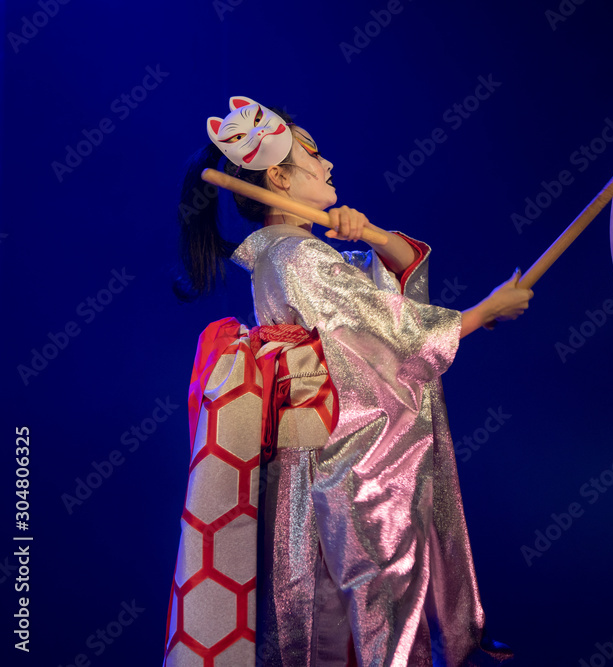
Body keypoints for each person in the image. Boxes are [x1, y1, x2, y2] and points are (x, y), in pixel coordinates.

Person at [165, 96, 531, 666]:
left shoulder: (298, 252)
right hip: (344, 462)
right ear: (280, 175)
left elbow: (382, 290)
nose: (329, 166)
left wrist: (376, 236)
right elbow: (388, 330)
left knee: (327, 618)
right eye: (315, 158)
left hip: (321, 460)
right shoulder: (297, 256)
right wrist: (487, 309)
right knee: (380, 603)